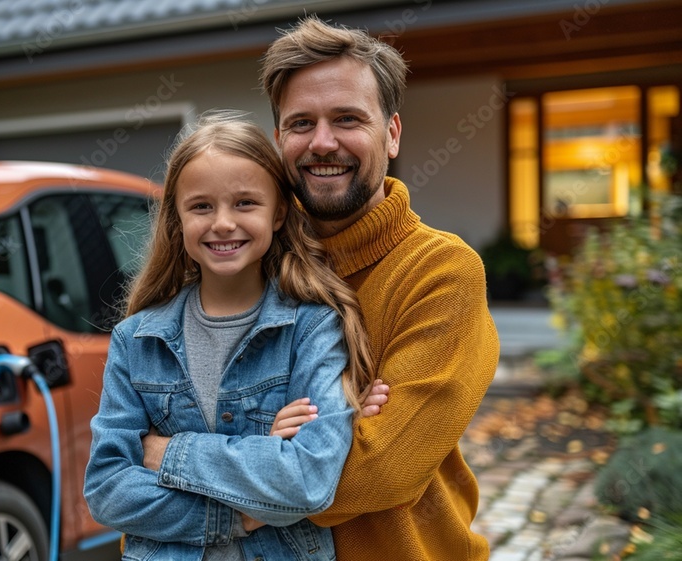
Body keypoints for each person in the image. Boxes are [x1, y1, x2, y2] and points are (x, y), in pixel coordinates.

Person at [83, 111, 383, 560]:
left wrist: (168, 454)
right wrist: (240, 510)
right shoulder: (135, 340)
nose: (223, 222)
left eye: (245, 203)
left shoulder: (312, 327)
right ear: (177, 217)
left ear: (279, 212)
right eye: (201, 206)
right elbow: (107, 488)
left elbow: (309, 480)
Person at [260, 14, 500, 560]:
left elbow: (382, 468)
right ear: (279, 139)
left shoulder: (440, 271)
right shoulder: (249, 265)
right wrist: (333, 429)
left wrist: (211, 488)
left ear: (390, 134)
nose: (323, 143)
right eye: (301, 124)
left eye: (347, 118)